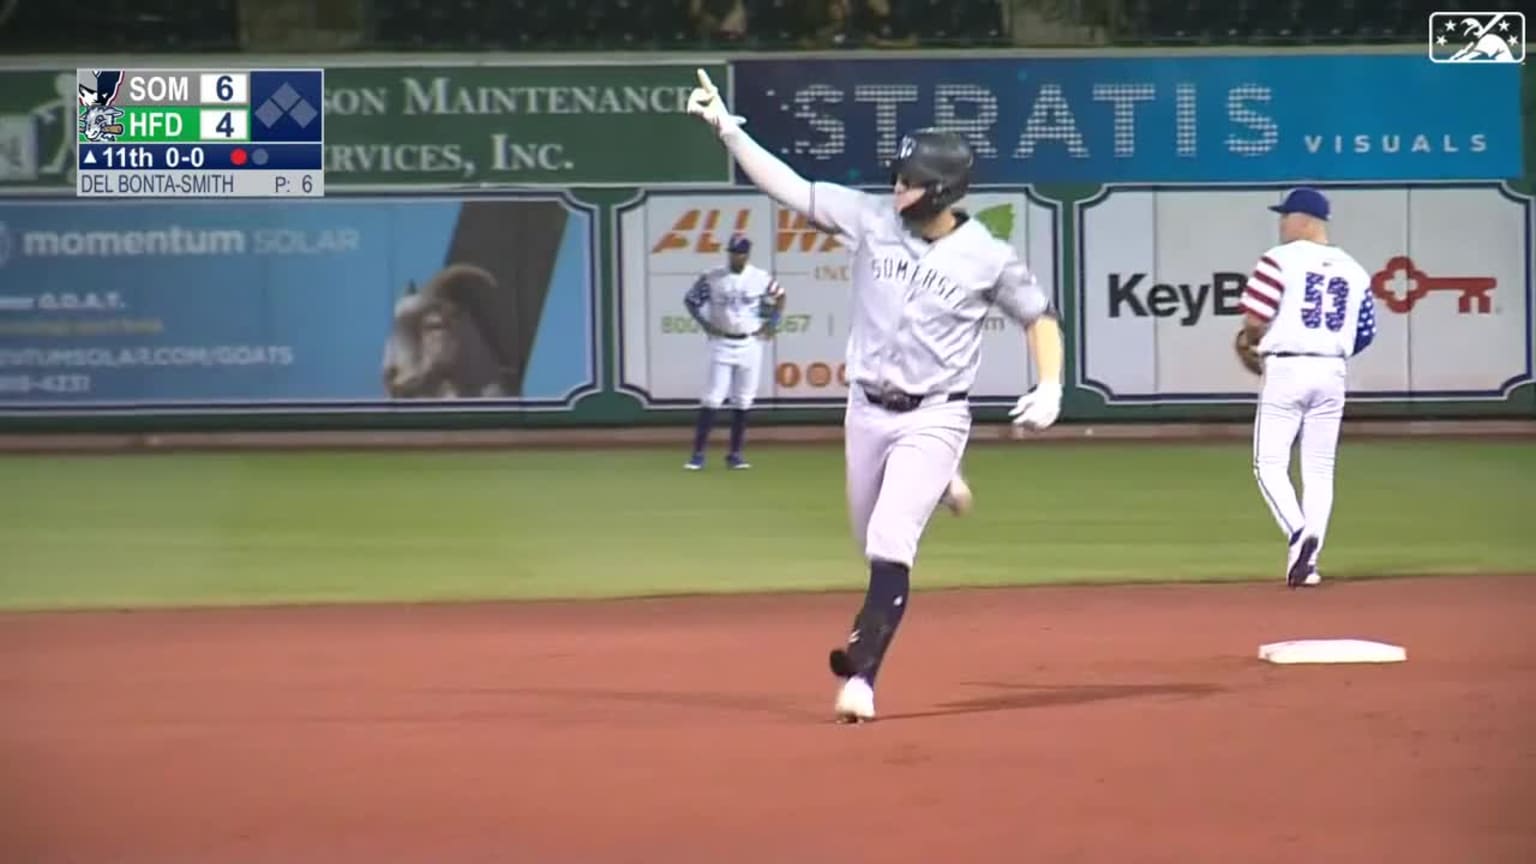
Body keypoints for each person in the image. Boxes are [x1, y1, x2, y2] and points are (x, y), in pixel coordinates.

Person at [685, 70, 1065, 722]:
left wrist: (1050, 385)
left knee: (891, 542)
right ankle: (942, 482)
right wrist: (729, 129)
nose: (897, 188)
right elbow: (795, 190)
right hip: (866, 409)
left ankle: (861, 677)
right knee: (869, 540)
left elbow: (1039, 318)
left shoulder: (988, 256)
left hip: (937, 412)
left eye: (910, 181)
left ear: (941, 189)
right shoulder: (872, 219)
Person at [1238, 187, 1377, 588]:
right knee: (1319, 469)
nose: (1281, 222)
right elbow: (1365, 332)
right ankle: (1309, 564)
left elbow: (1256, 316)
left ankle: (1299, 533)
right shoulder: (1355, 269)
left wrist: (1252, 339)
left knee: (1268, 464)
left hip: (1287, 368)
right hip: (1333, 370)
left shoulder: (1279, 260)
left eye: (1287, 215)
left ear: (1306, 220)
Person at [682, 233, 784, 470]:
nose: (735, 257)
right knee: (712, 398)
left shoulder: (759, 277)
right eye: (732, 252)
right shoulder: (713, 277)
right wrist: (705, 324)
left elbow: (780, 296)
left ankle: (735, 454)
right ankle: (698, 454)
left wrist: (772, 323)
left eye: (739, 253)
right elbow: (690, 300)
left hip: (750, 343)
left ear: (746, 254)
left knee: (743, 400)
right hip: (721, 343)